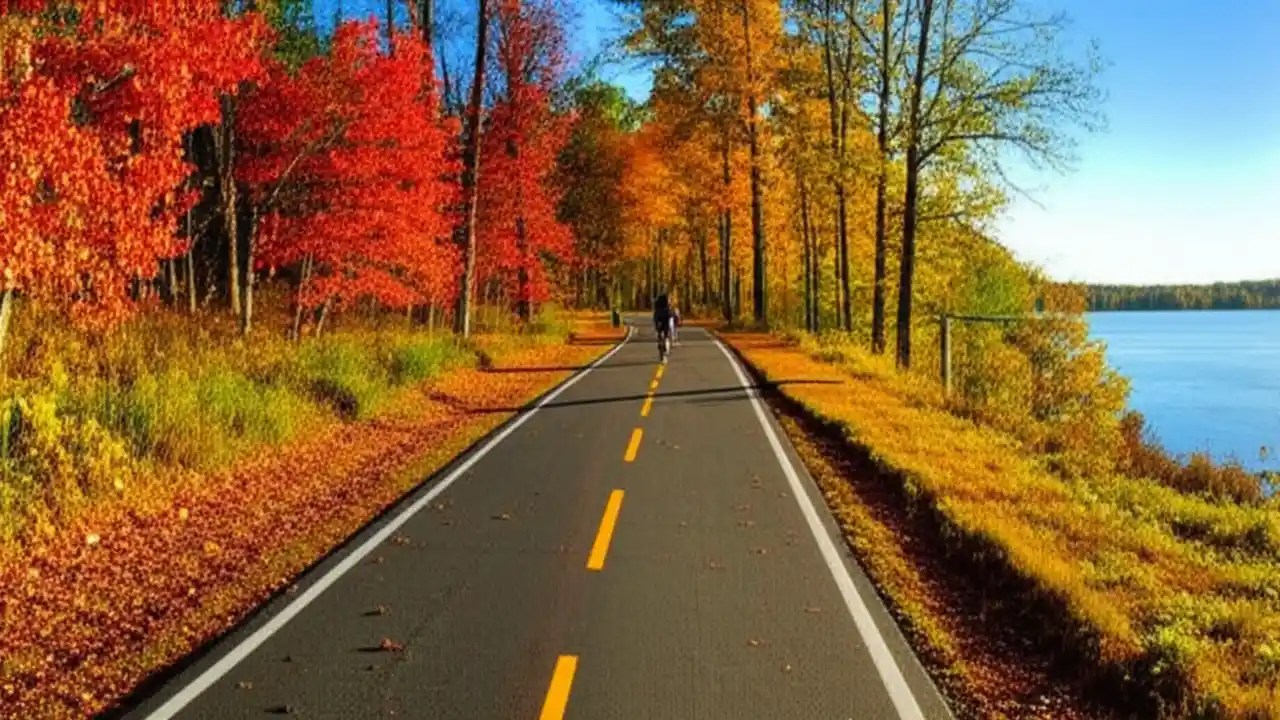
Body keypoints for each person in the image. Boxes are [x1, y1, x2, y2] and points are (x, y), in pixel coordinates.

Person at [653, 293, 673, 362]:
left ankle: (660, 342)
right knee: (666, 334)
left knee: (659, 332)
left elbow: (655, 315)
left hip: (658, 319)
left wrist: (656, 323)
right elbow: (670, 314)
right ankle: (664, 345)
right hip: (665, 320)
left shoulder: (657, 304)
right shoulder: (667, 305)